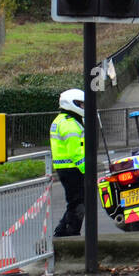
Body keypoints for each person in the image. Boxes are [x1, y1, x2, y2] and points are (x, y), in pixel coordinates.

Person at [51, 88, 86, 237]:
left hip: (65, 168)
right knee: (78, 203)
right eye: (81, 104)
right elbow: (75, 152)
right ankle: (70, 233)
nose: (84, 107)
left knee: (74, 201)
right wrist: (86, 169)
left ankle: (62, 231)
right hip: (72, 168)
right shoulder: (69, 124)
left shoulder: (62, 120)